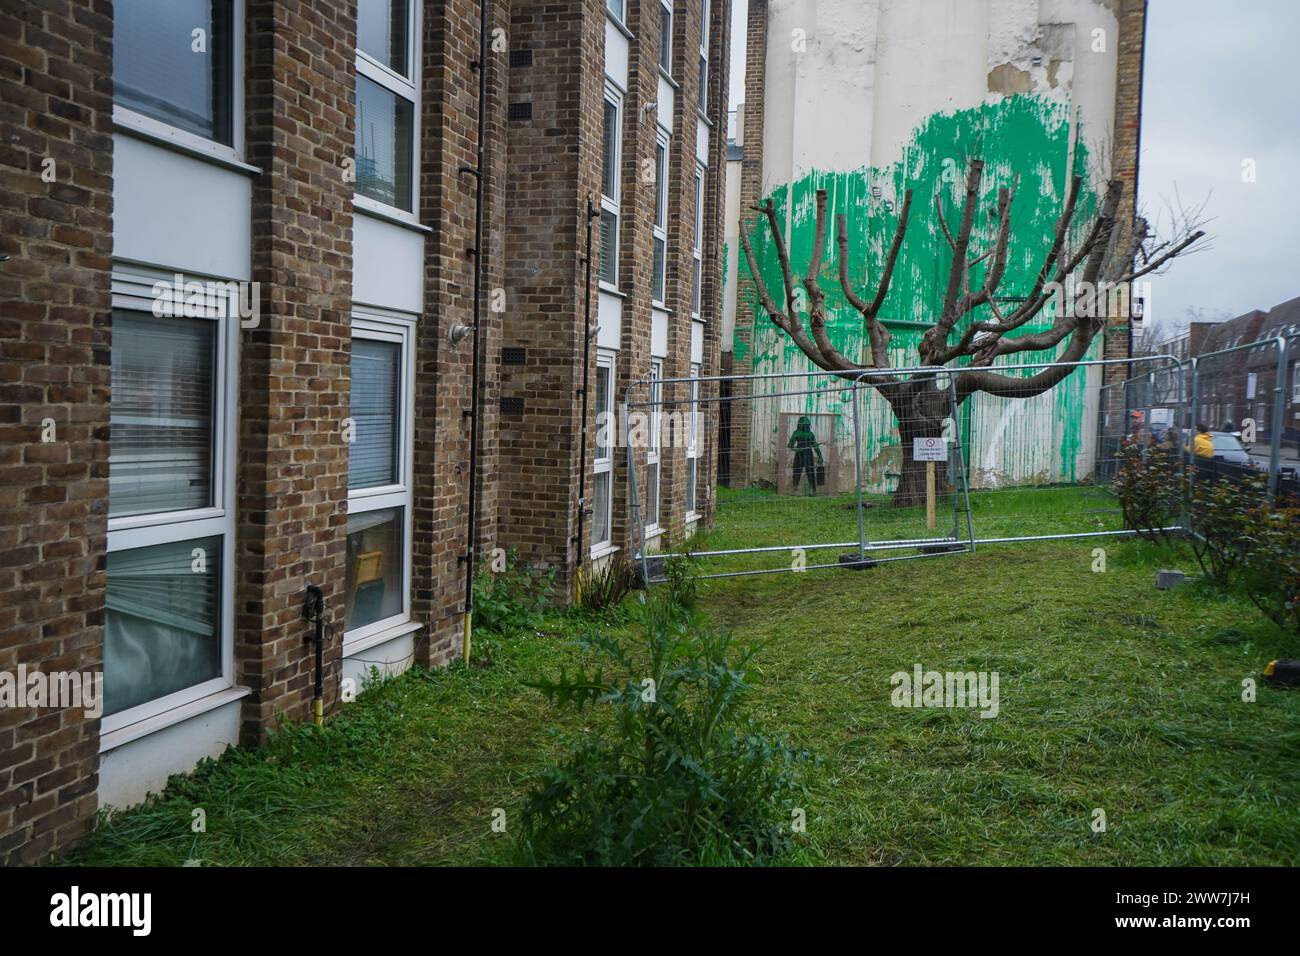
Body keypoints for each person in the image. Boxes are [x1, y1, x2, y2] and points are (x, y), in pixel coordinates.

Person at [788, 415, 824, 495]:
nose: (806, 426)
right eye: (805, 425)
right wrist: (796, 449)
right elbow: (790, 445)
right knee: (797, 472)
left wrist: (820, 456)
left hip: (808, 454)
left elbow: (815, 446)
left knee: (810, 472)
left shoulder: (810, 434)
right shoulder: (796, 433)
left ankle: (813, 490)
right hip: (799, 455)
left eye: (807, 425)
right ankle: (795, 490)